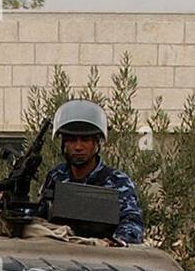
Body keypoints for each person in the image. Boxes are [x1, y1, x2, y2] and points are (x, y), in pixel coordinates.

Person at [37, 100, 144, 246]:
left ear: (96, 143)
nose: (78, 147)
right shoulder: (56, 176)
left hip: (101, 257)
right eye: (72, 140)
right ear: (64, 144)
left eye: (85, 140)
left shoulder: (117, 181)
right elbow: (40, 217)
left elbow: (133, 222)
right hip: (59, 254)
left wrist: (116, 241)